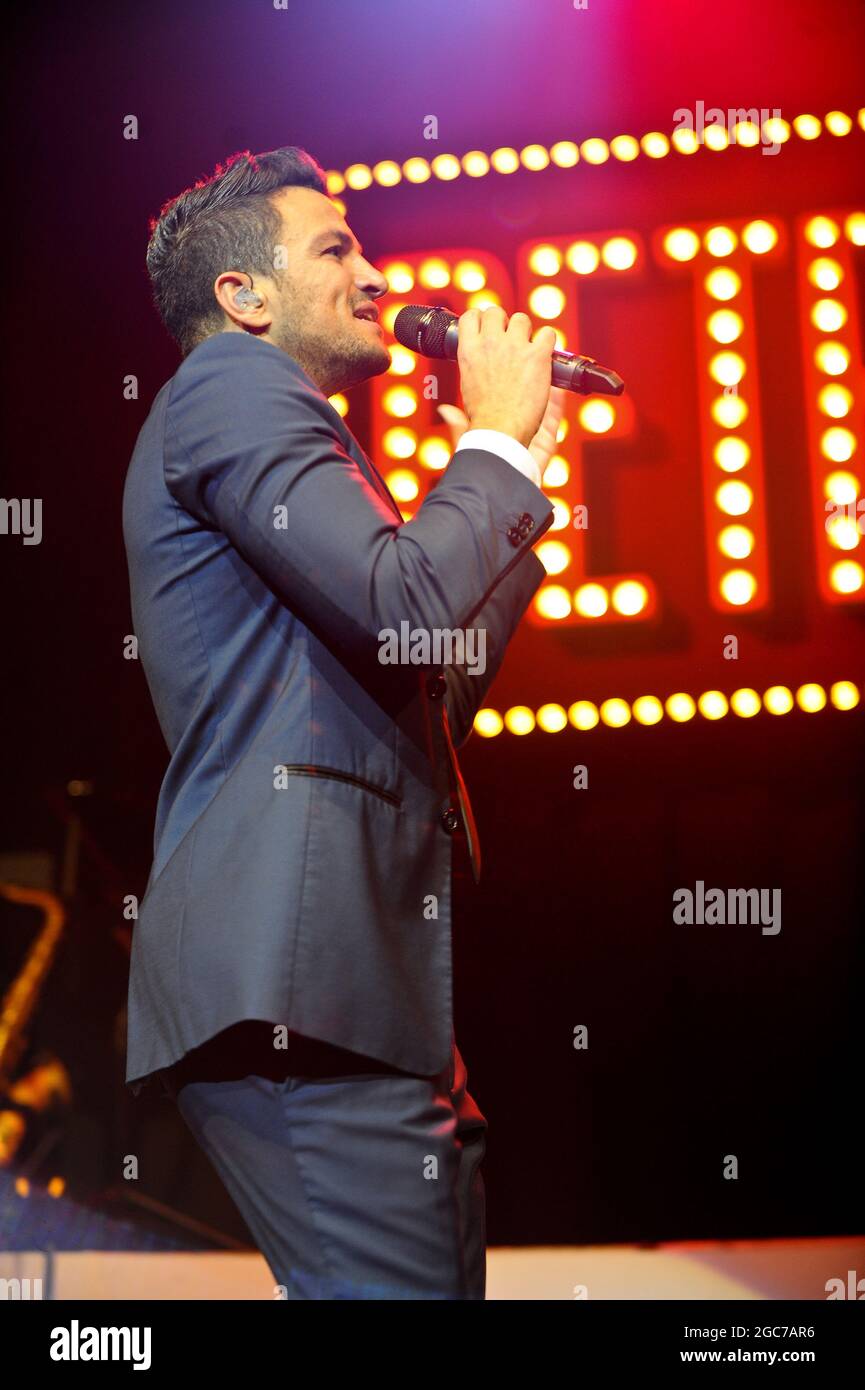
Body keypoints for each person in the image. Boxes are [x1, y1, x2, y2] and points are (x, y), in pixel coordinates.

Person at [122, 145, 562, 1299]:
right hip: (295, 983)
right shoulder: (232, 385)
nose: (374, 275)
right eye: (336, 248)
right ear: (243, 296)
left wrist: (524, 466)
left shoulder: (289, 433)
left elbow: (428, 673)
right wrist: (492, 447)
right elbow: (398, 600)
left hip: (357, 984)